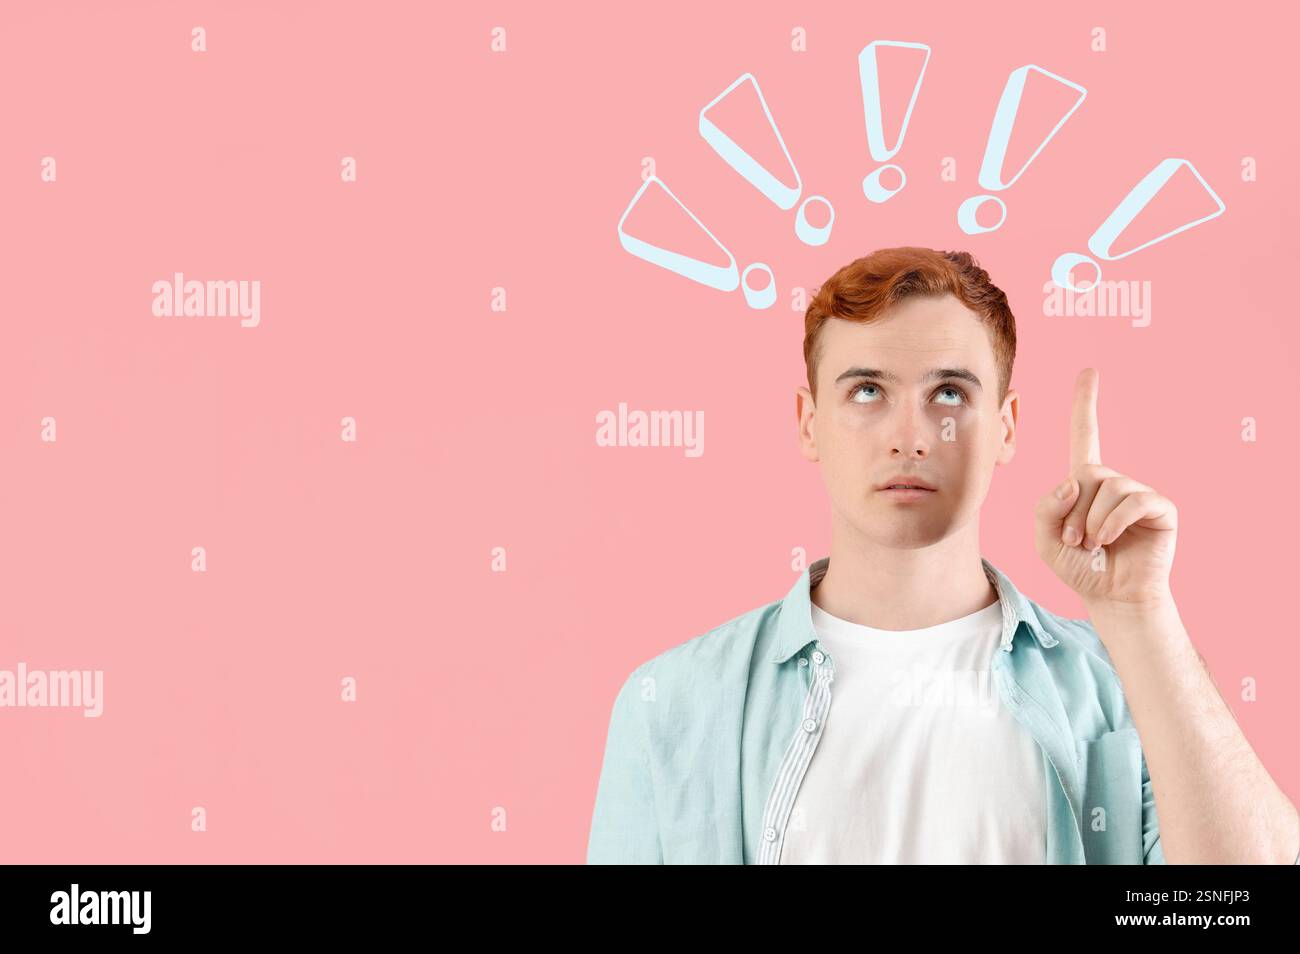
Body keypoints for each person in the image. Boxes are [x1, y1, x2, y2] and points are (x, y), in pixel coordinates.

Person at [586, 246, 1300, 864]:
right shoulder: (673, 704)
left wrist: (1141, 615)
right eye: (867, 391)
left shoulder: (1124, 686)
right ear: (809, 423)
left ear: (1006, 425)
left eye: (949, 393)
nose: (911, 437)